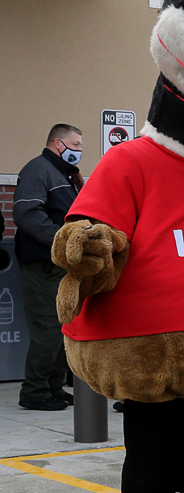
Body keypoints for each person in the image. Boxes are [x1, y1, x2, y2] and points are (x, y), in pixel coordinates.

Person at [14, 124, 82, 411]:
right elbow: (27, 213)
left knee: (62, 327)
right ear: (58, 143)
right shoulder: (38, 170)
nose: (79, 151)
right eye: (75, 145)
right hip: (44, 263)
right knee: (48, 329)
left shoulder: (63, 174)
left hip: (59, 264)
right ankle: (34, 391)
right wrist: (62, 241)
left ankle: (53, 388)